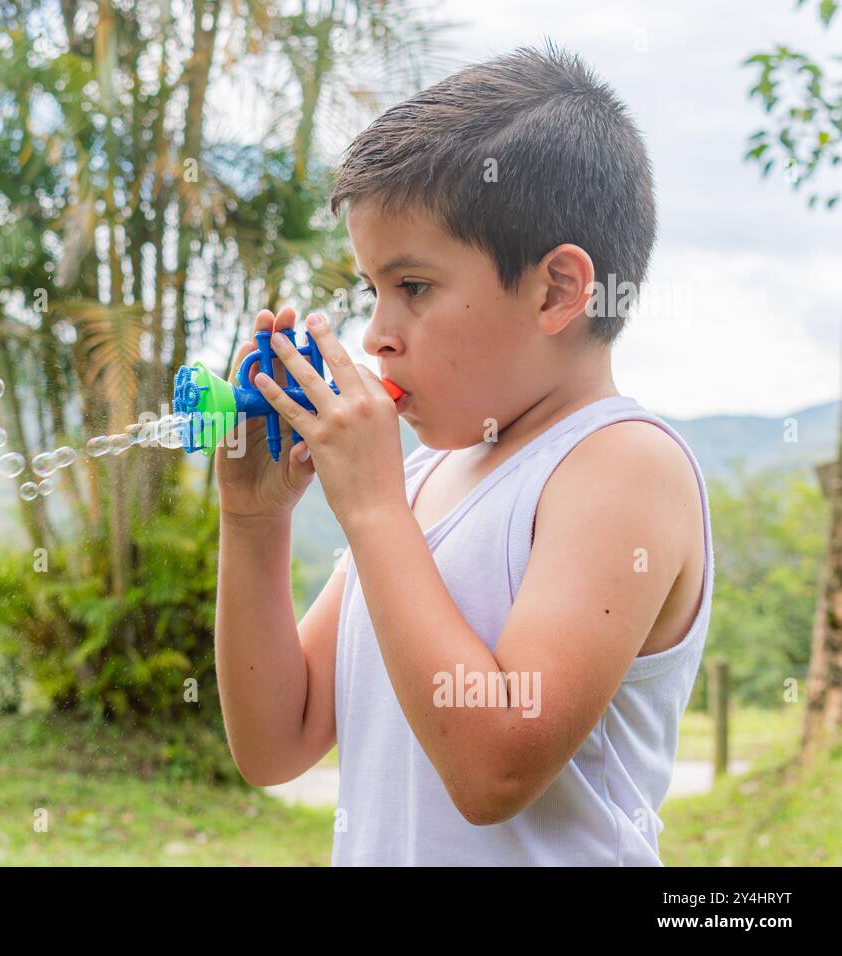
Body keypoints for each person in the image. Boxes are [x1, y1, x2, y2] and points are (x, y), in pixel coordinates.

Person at [212, 42, 713, 866]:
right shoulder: (418, 483)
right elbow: (278, 741)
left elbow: (494, 769)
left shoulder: (621, 466)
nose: (376, 334)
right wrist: (255, 520)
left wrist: (371, 510)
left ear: (557, 290)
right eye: (372, 290)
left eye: (413, 287)